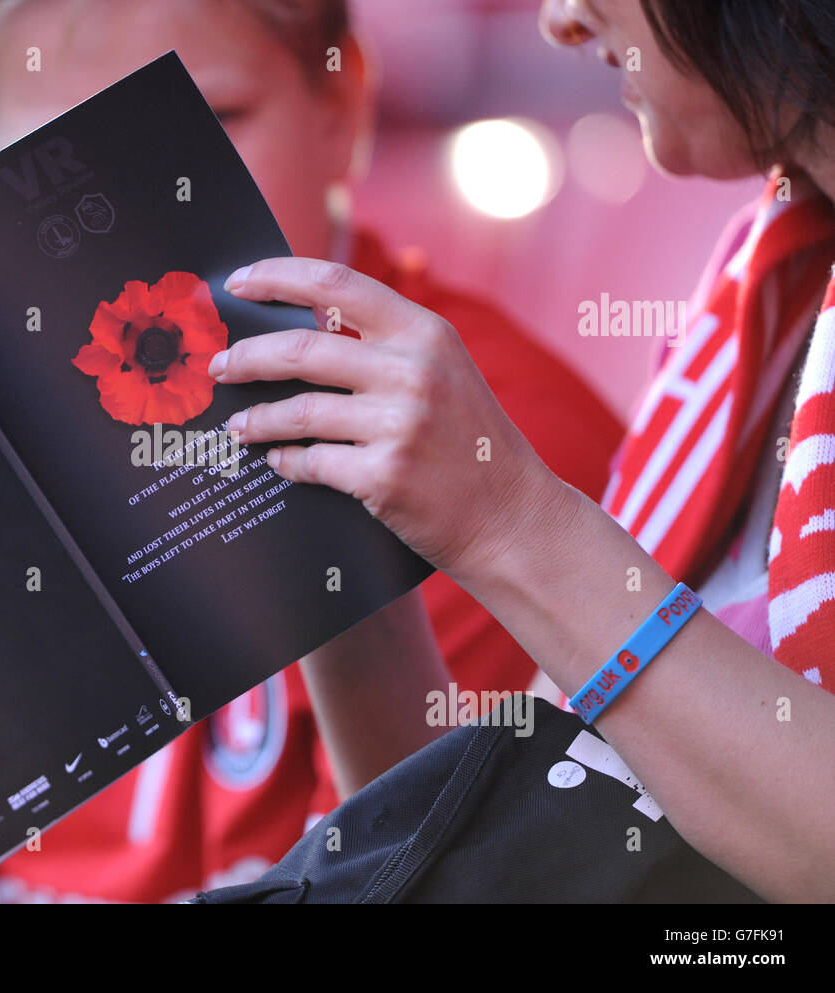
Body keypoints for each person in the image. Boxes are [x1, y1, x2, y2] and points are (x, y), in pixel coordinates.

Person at [0, 0, 623, 903]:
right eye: (55, 167)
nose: (145, 207)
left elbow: (424, 872)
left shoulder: (492, 451)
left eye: (211, 123)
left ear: (341, 110)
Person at [208, 0, 835, 902]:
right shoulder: (756, 290)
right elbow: (504, 848)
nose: (561, 22)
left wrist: (510, 520)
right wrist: (329, 560)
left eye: (223, 115)